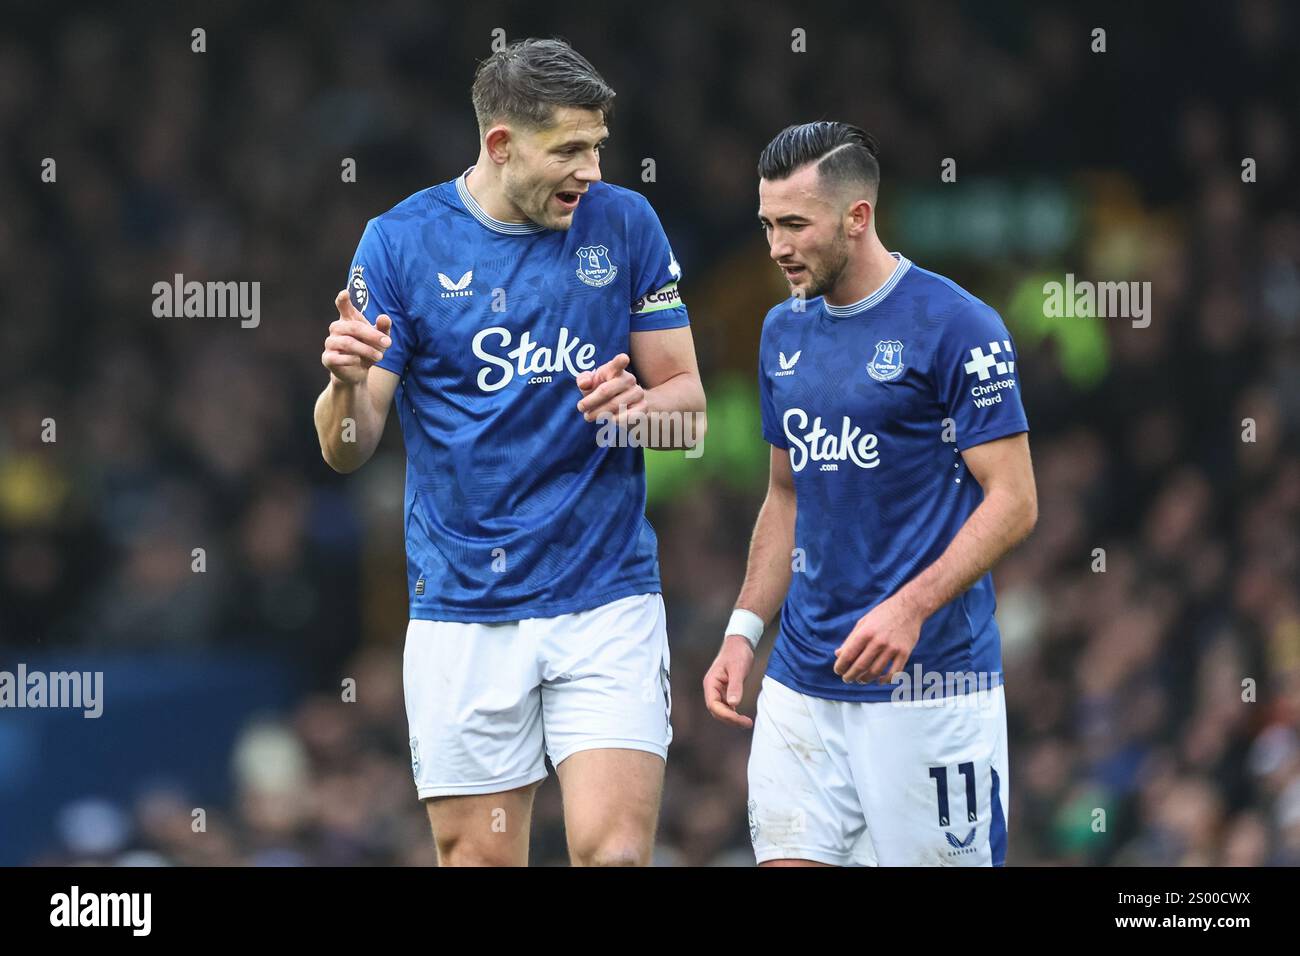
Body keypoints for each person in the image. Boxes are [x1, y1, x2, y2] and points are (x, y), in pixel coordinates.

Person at [313, 38, 705, 866]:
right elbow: (348, 449)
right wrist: (347, 386)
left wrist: (643, 411)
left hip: (604, 596)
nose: (591, 169)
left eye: (598, 144)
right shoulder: (399, 244)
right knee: (480, 860)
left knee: (616, 854)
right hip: (463, 609)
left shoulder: (626, 225)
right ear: (501, 144)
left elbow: (690, 413)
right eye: (570, 149)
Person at [704, 122, 1036, 866]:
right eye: (767, 225)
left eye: (795, 225)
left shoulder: (958, 327)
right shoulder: (780, 333)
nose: (777, 247)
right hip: (801, 685)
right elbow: (786, 495)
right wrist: (743, 630)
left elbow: (1014, 501)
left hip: (929, 688)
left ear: (857, 218)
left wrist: (911, 606)